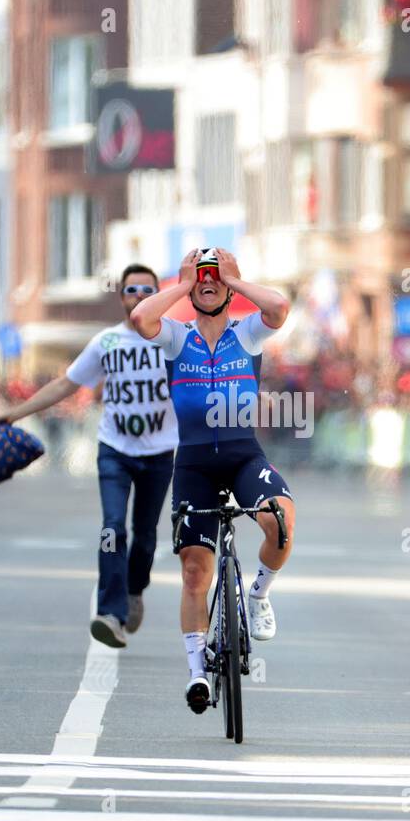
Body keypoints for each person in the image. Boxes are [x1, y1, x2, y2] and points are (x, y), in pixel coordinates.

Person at [130, 248, 296, 714]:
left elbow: (279, 308)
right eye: (201, 277)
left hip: (244, 455)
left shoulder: (248, 333)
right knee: (194, 571)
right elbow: (142, 317)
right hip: (196, 463)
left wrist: (232, 278)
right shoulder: (176, 338)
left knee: (280, 521)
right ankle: (196, 673)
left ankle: (258, 593)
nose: (209, 281)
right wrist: (184, 283)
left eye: (216, 277)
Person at [0, 264, 177, 649]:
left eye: (147, 290)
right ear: (122, 296)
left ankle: (134, 589)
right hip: (115, 450)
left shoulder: (172, 341)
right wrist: (15, 413)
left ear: (159, 295)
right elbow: (65, 383)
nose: (139, 296)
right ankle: (111, 614)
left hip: (160, 452)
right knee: (113, 529)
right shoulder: (107, 342)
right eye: (132, 290)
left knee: (145, 538)